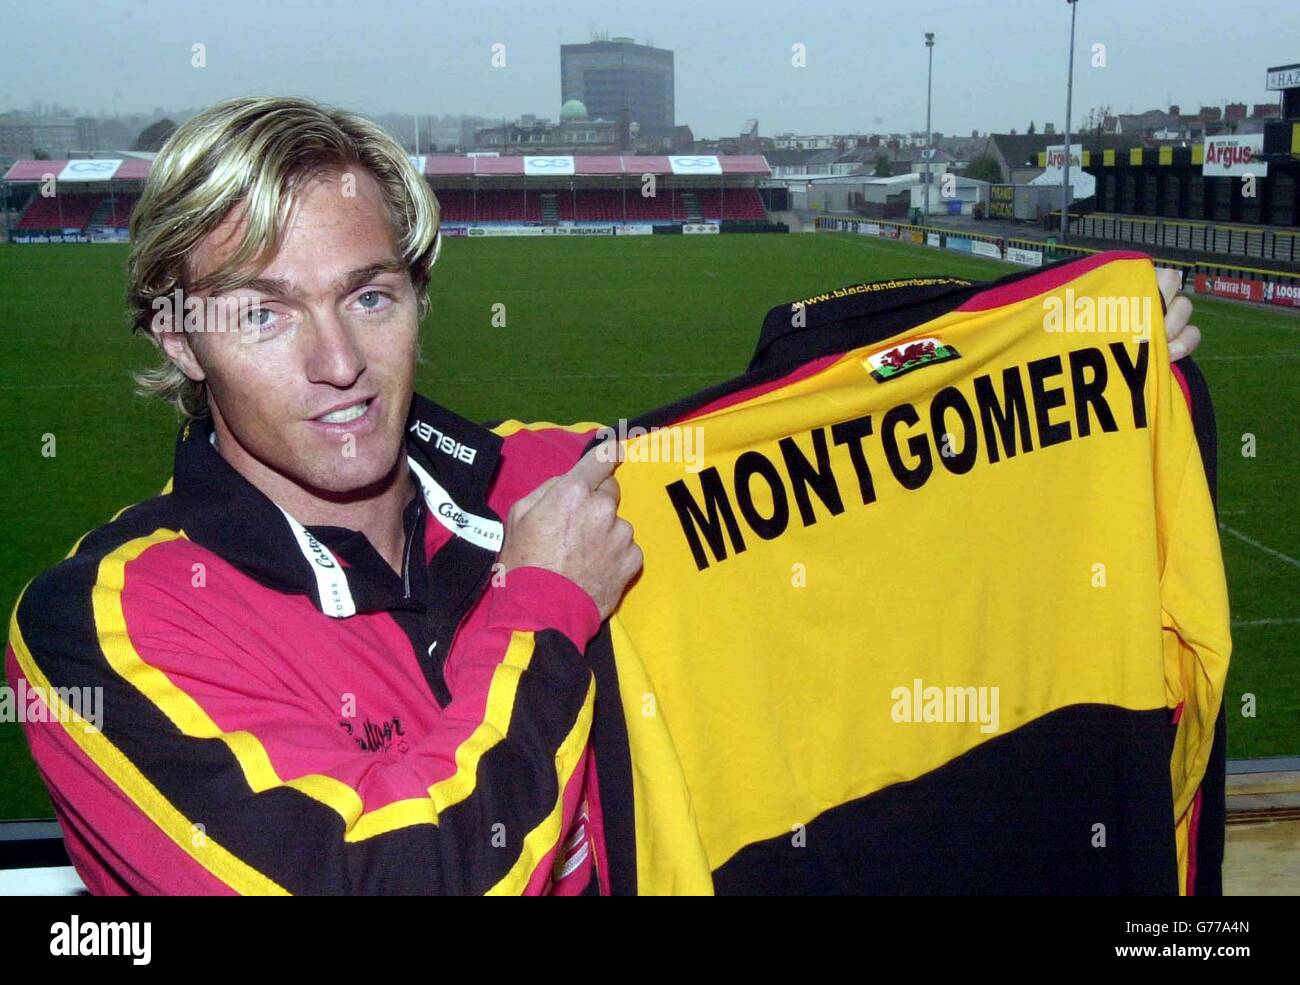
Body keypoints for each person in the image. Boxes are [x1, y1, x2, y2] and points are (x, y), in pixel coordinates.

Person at [4, 95, 1201, 895]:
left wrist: (1076, 363)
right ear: (178, 332)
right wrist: (541, 605)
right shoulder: (96, 632)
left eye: (371, 296)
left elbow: (843, 460)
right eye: (264, 313)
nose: (337, 362)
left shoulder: (557, 478)